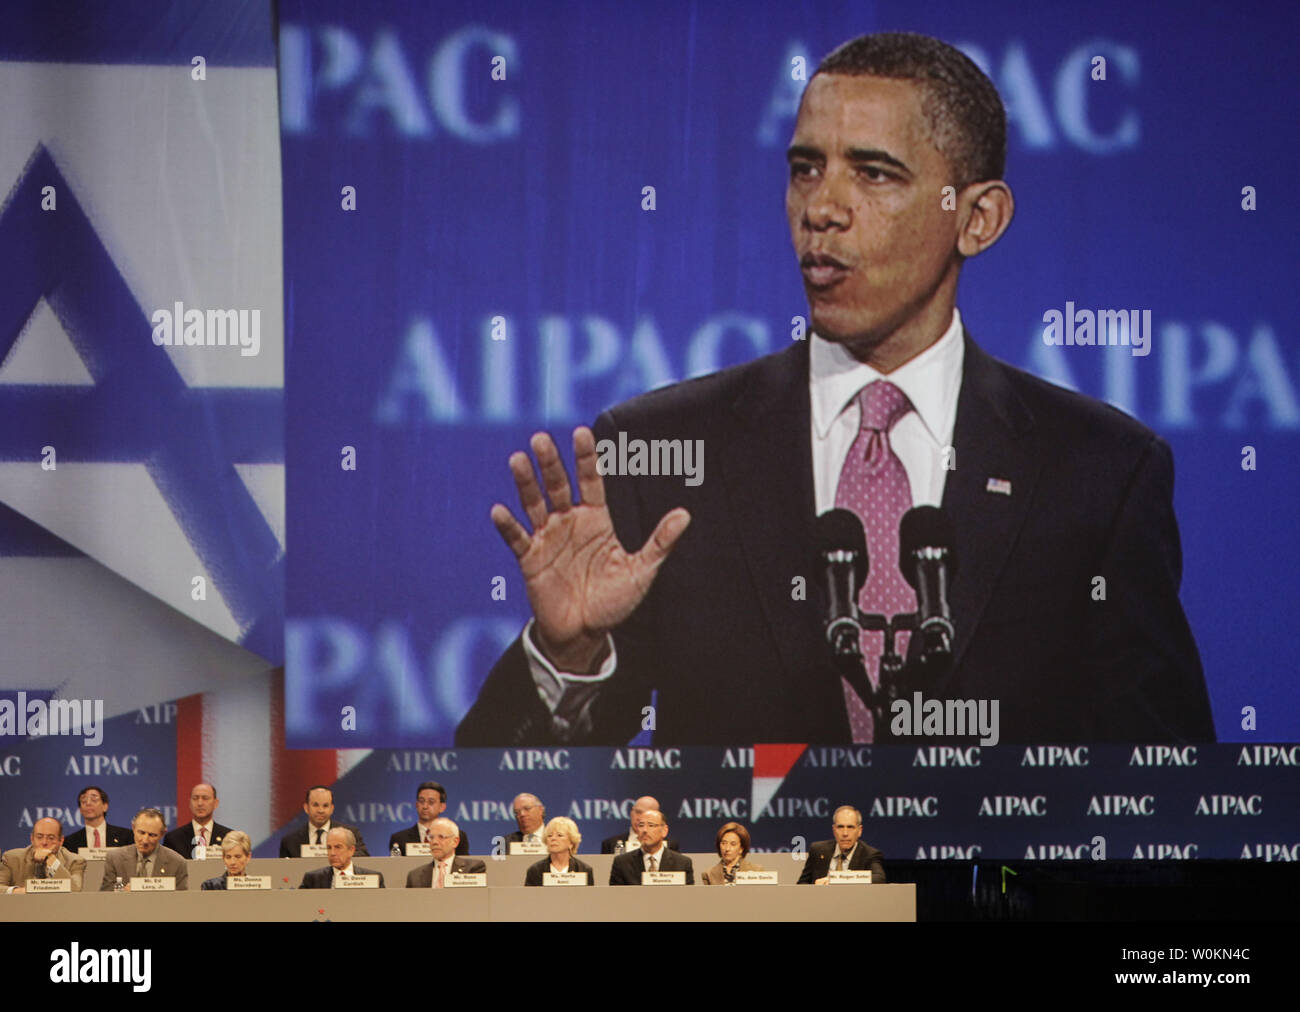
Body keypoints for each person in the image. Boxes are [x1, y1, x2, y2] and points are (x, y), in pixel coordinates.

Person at [456, 31, 1214, 747]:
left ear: (978, 219)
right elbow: (504, 803)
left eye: (874, 173)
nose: (822, 209)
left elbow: (1166, 806)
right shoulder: (660, 450)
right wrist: (571, 650)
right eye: (805, 169)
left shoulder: (1098, 471)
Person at [100, 808, 189, 890]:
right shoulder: (115, 858)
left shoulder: (177, 863)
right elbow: (105, 897)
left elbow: (182, 901)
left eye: (152, 835)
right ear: (133, 828)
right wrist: (123, 893)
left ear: (162, 834)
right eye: (141, 833)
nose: (145, 840)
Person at [797, 806, 885, 884]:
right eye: (840, 827)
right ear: (834, 829)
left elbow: (879, 878)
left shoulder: (869, 854)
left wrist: (838, 880)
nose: (845, 833)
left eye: (850, 827)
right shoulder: (818, 850)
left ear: (859, 831)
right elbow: (802, 883)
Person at [279, 786, 370, 858]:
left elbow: (364, 857)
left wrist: (339, 855)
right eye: (315, 805)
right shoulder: (289, 841)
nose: (320, 810)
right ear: (306, 808)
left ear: (332, 809)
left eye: (325, 806)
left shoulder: (350, 833)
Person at [1, 818, 86, 893]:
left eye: (51, 838)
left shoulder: (75, 861)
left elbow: (75, 890)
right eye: (39, 837)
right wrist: (21, 891)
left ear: (61, 841)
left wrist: (51, 860)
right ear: (32, 839)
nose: (44, 842)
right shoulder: (12, 858)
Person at [609, 810, 693, 885]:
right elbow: (615, 898)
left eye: (651, 825)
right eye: (641, 825)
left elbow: (688, 898)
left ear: (664, 831)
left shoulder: (682, 863)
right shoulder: (621, 863)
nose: (645, 830)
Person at [389, 781, 470, 856]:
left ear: (442, 807)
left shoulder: (456, 836)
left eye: (431, 802)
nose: (425, 806)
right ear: (416, 805)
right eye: (421, 801)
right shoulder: (399, 839)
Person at [405, 818, 487, 887]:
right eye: (431, 837)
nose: (434, 842)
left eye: (441, 837)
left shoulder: (473, 869)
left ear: (455, 842)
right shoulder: (414, 876)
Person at [299, 827, 384, 888]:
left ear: (351, 850)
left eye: (338, 847)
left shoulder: (373, 879)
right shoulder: (312, 879)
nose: (332, 853)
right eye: (329, 848)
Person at [163, 783, 233, 857]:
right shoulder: (174, 838)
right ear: (190, 803)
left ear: (215, 803)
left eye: (205, 798)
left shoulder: (229, 837)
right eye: (195, 798)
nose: (200, 803)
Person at [524, 817, 595, 885]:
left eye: (559, 835)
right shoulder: (535, 870)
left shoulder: (584, 870)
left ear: (571, 842)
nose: (553, 838)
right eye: (550, 835)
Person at [600, 796, 679, 853]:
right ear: (631, 813)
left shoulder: (670, 845)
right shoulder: (610, 844)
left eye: (647, 814)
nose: (640, 818)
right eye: (638, 812)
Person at [63, 786, 131, 851]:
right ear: (80, 810)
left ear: (105, 806)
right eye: (84, 801)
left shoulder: (126, 836)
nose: (88, 803)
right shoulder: (70, 842)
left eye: (94, 800)